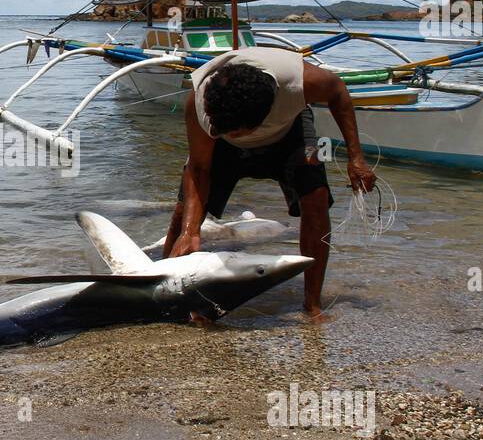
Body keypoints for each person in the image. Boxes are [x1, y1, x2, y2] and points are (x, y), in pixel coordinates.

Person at [161, 45, 376, 320]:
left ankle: (312, 305)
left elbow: (338, 92)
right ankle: (163, 289)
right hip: (222, 147)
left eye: (238, 131)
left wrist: (356, 158)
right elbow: (199, 169)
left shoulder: (300, 82)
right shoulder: (201, 104)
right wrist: (191, 230)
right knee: (183, 214)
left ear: (262, 118)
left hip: (290, 134)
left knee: (317, 199)